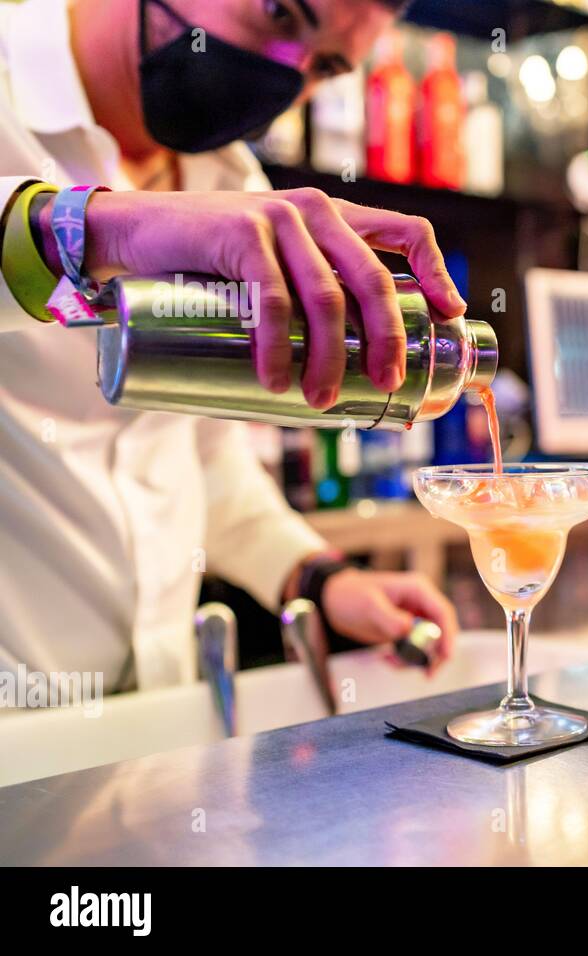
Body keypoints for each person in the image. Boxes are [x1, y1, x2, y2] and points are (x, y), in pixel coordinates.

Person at [0, 0, 463, 693]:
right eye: (280, 13)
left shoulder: (231, 182)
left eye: (326, 65)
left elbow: (199, 454)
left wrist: (314, 574)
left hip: (156, 717)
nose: (284, 74)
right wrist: (106, 230)